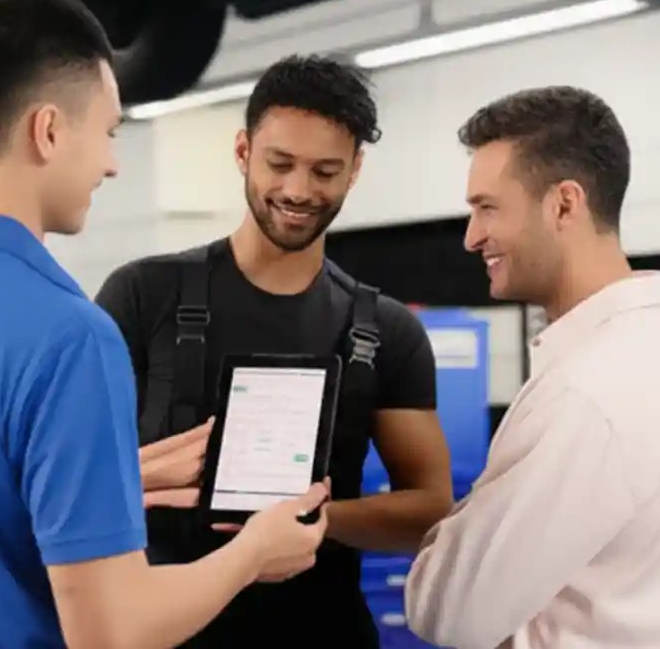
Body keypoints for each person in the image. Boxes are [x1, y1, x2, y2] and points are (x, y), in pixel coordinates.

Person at [0, 0, 330, 649]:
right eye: (107, 132)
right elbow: (110, 632)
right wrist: (252, 555)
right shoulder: (72, 336)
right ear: (47, 130)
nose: (111, 162)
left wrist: (109, 481)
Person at [94, 54, 454, 647]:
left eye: (325, 171)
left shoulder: (388, 331)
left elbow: (429, 506)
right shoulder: (141, 296)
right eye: (279, 164)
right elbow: (75, 481)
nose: (298, 191)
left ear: (356, 170)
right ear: (242, 152)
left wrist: (313, 521)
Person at [404, 86, 660, 648]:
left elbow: (445, 609)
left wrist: (450, 533)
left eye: (487, 208)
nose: (472, 236)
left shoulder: (588, 392)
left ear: (563, 204)